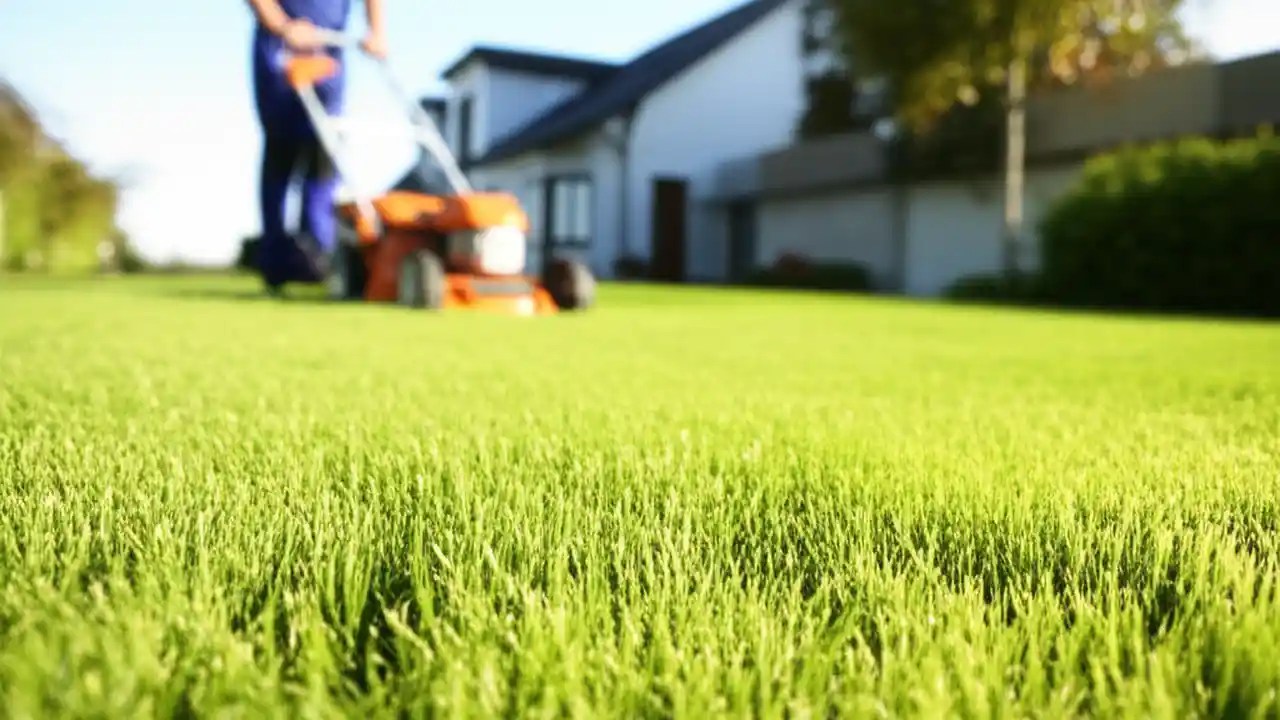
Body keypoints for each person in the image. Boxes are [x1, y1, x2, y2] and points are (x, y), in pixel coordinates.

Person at [245, 0, 386, 294]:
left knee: (325, 148)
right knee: (282, 151)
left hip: (329, 47)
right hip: (281, 48)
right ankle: (278, 265)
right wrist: (283, 25)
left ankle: (319, 257)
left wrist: (376, 32)